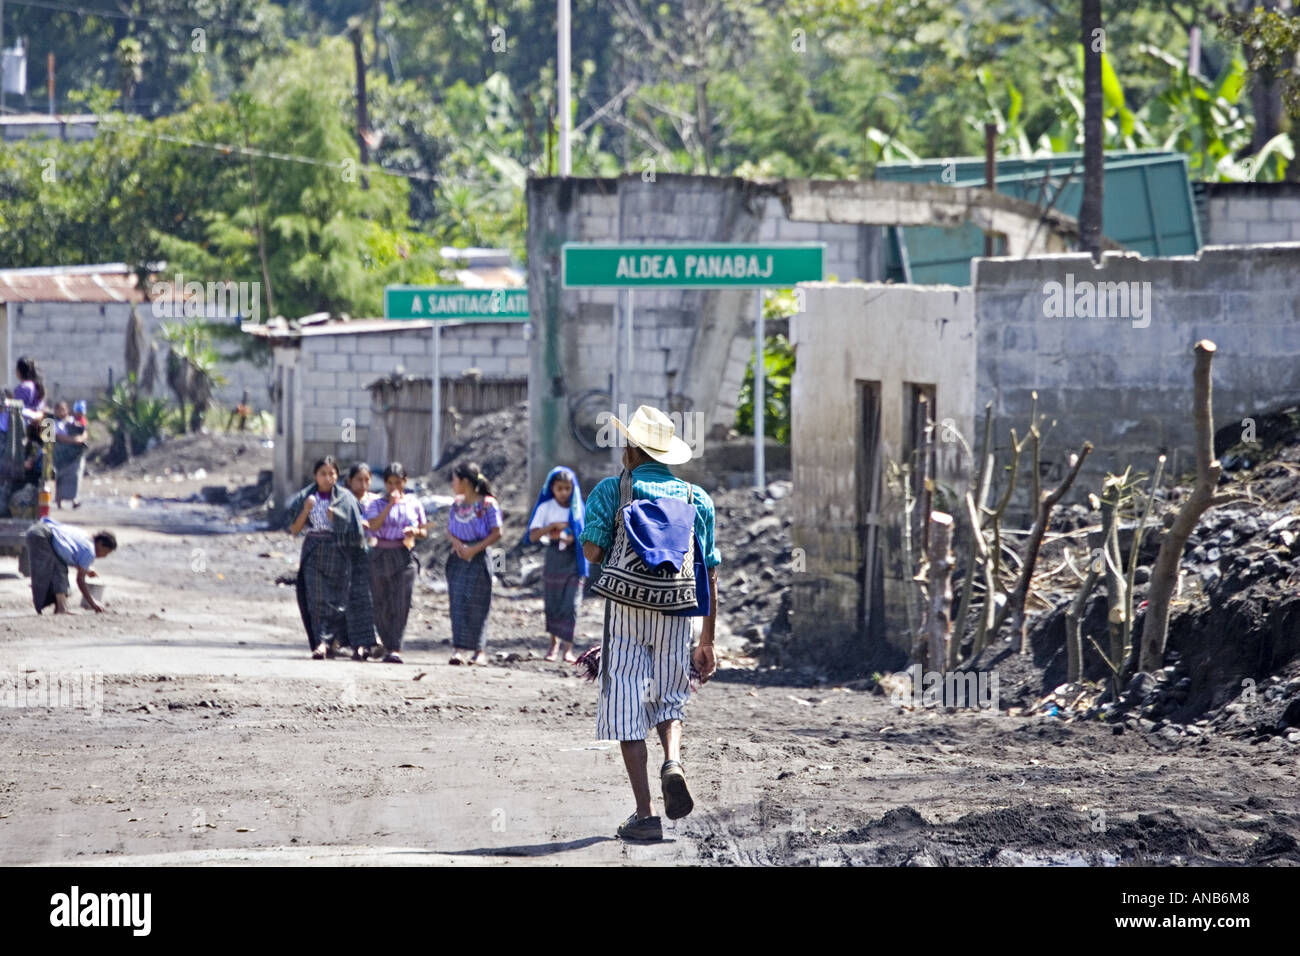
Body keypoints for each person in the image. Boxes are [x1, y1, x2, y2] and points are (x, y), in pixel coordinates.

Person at [580, 405, 720, 842]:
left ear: (630, 449)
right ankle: (673, 761)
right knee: (669, 697)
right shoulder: (696, 499)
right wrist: (708, 640)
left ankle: (645, 815)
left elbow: (591, 553)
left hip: (624, 612)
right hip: (678, 613)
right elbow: (709, 572)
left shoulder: (611, 490)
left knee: (627, 705)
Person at [286, 457, 379, 661]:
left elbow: (355, 529)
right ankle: (321, 643)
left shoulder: (346, 499)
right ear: (315, 476)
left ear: (337, 476)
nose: (328, 478)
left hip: (340, 552)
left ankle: (337, 641)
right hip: (314, 552)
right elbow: (294, 529)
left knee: (338, 601)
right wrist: (306, 510)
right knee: (316, 600)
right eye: (323, 474)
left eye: (332, 474)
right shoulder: (306, 497)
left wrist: (335, 518)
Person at [365, 462, 428, 664]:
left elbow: (424, 531)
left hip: (404, 554)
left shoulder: (413, 504)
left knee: (401, 601)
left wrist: (415, 532)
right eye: (390, 483)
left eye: (398, 483)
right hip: (380, 554)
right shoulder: (375, 504)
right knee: (381, 601)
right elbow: (372, 526)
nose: (394, 488)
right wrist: (390, 505)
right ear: (384, 483)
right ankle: (385, 640)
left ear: (404, 482)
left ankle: (395, 648)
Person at [522, 466, 587, 662]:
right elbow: (532, 536)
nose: (564, 493)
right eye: (560, 489)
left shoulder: (578, 508)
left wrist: (571, 534)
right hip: (553, 558)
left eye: (567, 488)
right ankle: (553, 646)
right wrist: (552, 528)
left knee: (571, 604)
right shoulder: (546, 508)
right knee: (553, 602)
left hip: (574, 558)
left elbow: (586, 534)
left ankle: (568, 649)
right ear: (552, 488)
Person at [445, 461, 501, 666]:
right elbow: (449, 529)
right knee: (457, 603)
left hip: (478, 558)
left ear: (465, 481)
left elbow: (497, 532)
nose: (453, 483)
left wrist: (473, 550)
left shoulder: (488, 504)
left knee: (478, 604)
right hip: (457, 558)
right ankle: (459, 649)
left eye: (455, 479)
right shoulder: (456, 503)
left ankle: (479, 650)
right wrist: (458, 544)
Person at [25, 517, 116, 614]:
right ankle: (61, 608)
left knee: (58, 566)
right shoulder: (90, 551)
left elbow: (69, 554)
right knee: (59, 569)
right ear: (101, 544)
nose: (104, 556)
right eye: (106, 552)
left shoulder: (85, 537)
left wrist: (87, 570)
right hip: (43, 535)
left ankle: (60, 607)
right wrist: (92, 602)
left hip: (36, 530)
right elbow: (80, 580)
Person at [52, 401, 88, 509]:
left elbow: (84, 431)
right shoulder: (52, 423)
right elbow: (56, 437)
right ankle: (59, 500)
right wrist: (72, 441)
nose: (62, 412)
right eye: (59, 410)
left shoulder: (73, 421)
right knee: (61, 477)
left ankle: (74, 499)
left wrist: (81, 439)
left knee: (75, 475)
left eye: (63, 409)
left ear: (67, 410)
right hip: (61, 453)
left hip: (75, 454)